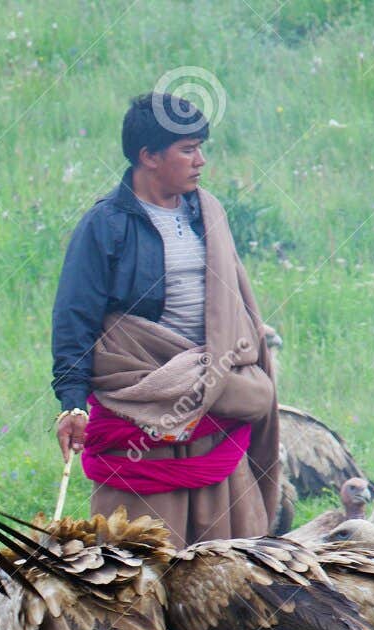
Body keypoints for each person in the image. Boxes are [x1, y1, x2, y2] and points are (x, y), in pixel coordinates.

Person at [50, 91, 281, 545]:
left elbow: (235, 304)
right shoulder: (106, 225)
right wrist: (73, 402)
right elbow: (74, 316)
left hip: (216, 398)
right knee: (143, 567)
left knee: (225, 574)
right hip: (142, 405)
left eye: (200, 148)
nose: (201, 161)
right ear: (148, 157)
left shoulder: (207, 213)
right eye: (188, 149)